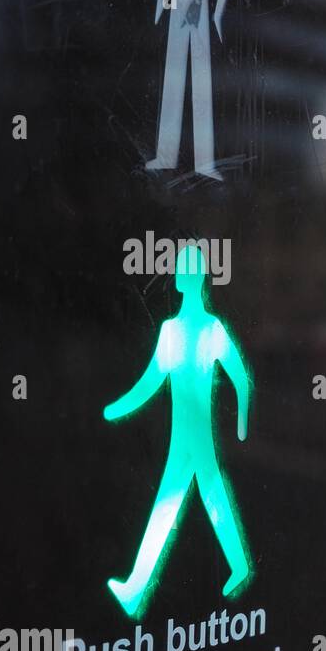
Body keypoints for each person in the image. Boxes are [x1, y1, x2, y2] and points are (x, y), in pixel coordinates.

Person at [104, 245, 251, 619]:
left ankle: (138, 588)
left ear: (195, 279)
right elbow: (150, 383)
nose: (186, 277)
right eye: (184, 271)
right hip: (183, 438)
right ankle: (138, 589)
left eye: (189, 271)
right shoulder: (176, 330)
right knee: (185, 504)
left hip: (194, 437)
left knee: (188, 503)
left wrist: (242, 423)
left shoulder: (209, 329)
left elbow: (241, 379)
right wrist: (115, 408)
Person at [144, 0, 234, 180]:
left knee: (195, 85)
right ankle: (173, 157)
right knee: (176, 83)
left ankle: (202, 161)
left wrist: (217, 15)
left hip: (195, 10)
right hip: (185, 10)